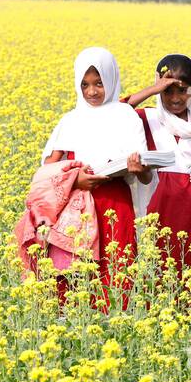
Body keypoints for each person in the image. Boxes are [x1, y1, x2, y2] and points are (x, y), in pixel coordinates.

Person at [42, 47, 154, 307]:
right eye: (85, 84)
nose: (92, 91)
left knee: (116, 271)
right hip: (75, 204)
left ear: (112, 80)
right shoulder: (70, 120)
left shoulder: (127, 116)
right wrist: (75, 177)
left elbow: (146, 174)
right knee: (73, 276)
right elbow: (48, 165)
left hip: (115, 201)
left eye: (99, 83)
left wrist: (140, 167)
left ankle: (115, 325)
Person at [123, 54, 191, 271]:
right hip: (157, 210)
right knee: (158, 272)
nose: (175, 98)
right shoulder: (146, 118)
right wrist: (151, 89)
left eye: (182, 90)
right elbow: (115, 114)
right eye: (167, 91)